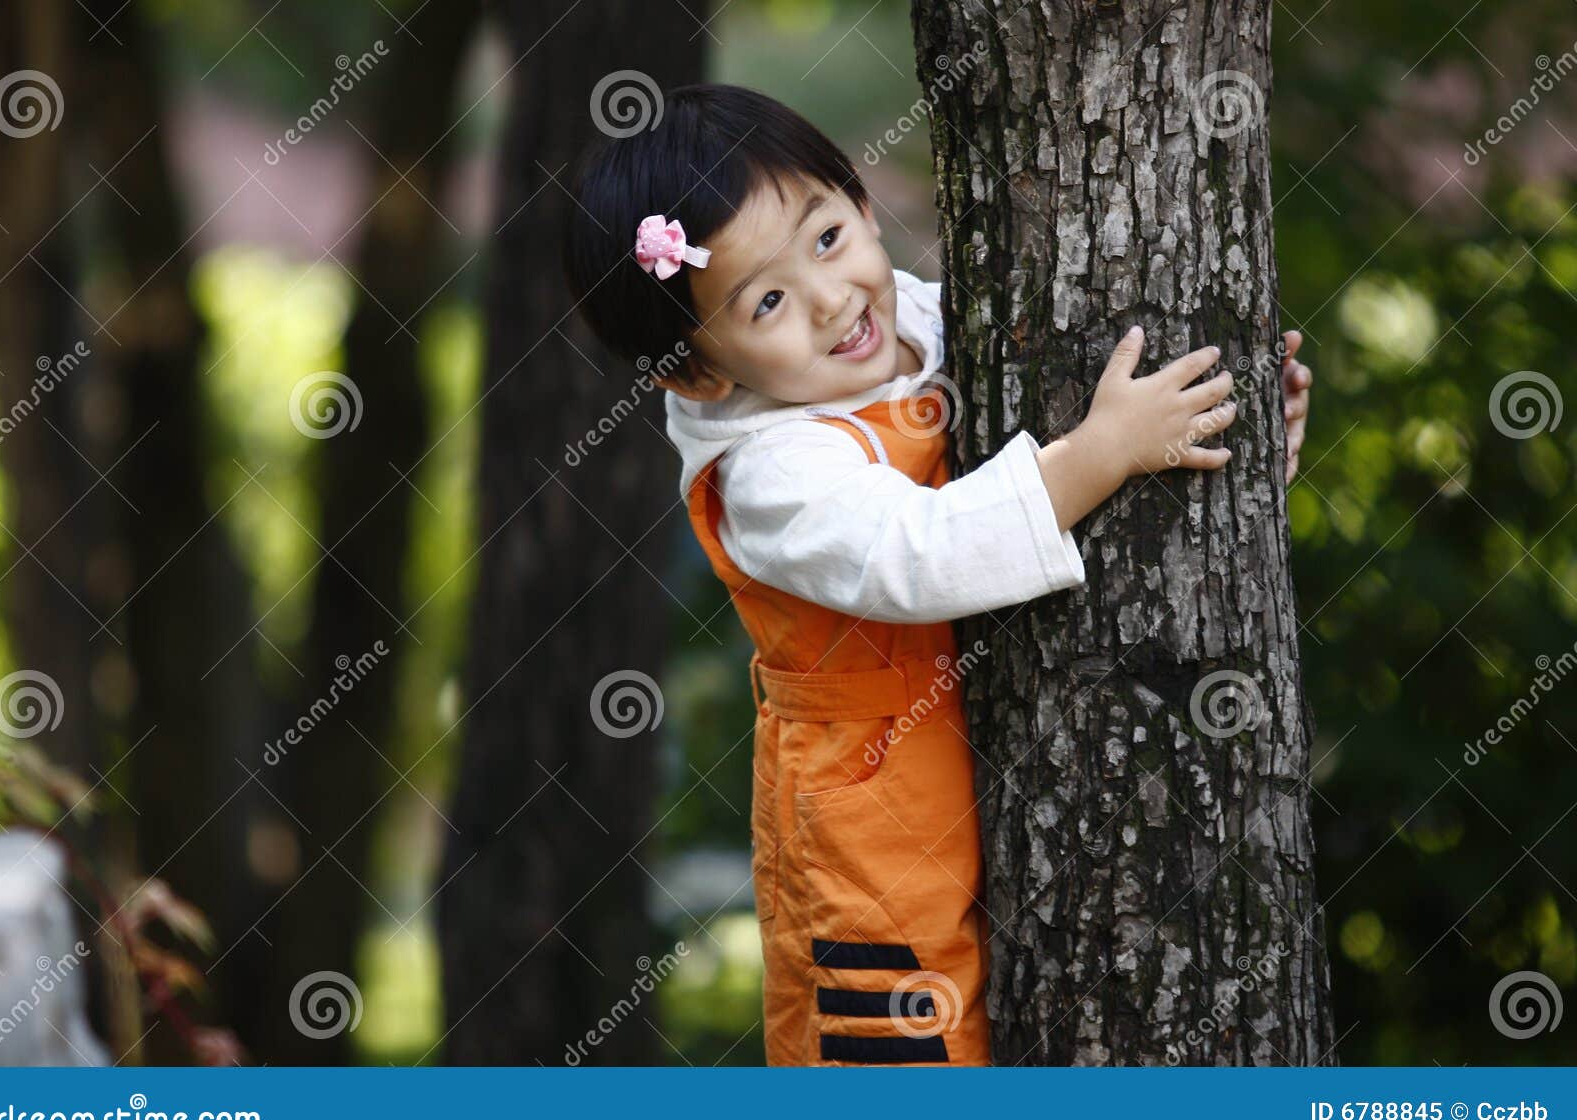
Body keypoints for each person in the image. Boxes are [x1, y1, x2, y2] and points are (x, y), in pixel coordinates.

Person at [563, 83, 1314, 1066]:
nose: (832, 299)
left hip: (1000, 726)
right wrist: (1107, 449)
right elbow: (919, 550)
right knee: (906, 1031)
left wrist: (1233, 441)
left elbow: (1111, 514)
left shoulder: (935, 317)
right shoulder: (766, 468)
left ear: (860, 203)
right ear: (700, 371)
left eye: (826, 238)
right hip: (871, 791)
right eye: (769, 300)